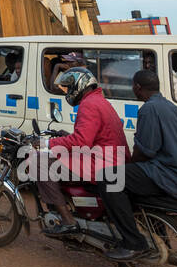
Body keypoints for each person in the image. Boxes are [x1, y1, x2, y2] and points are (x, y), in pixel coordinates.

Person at [104, 69, 177, 261]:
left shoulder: (149, 109)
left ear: (137, 87)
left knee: (110, 178)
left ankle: (133, 243)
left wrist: (129, 164)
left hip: (169, 174)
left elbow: (145, 150)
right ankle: (160, 243)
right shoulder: (170, 106)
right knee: (132, 181)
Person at [33, 68, 129, 235]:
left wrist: (47, 143)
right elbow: (90, 137)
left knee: (40, 164)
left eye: (69, 88)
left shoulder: (89, 105)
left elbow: (81, 141)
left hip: (101, 162)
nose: (68, 92)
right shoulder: (100, 101)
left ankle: (68, 221)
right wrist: (66, 137)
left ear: (81, 85)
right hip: (110, 157)